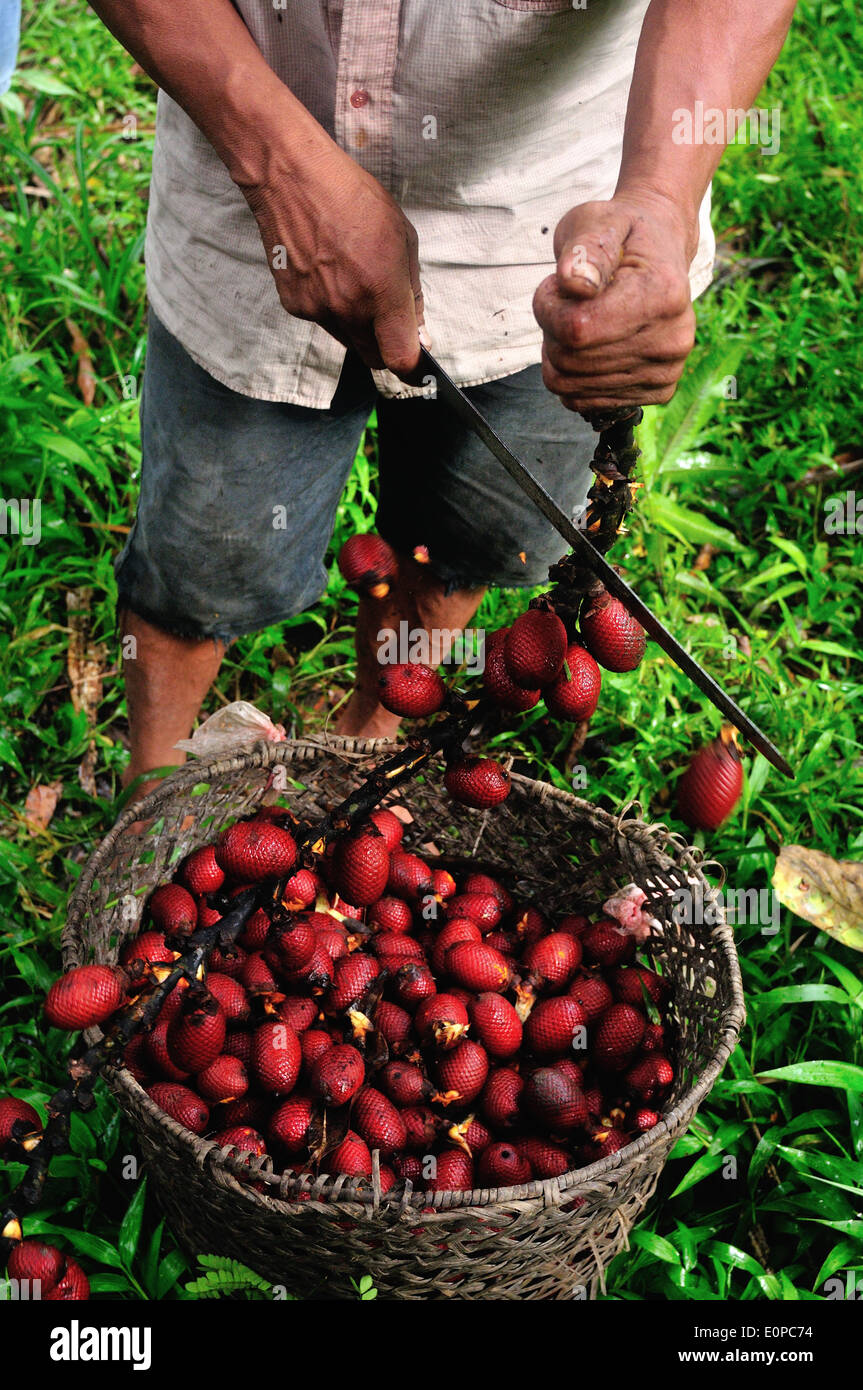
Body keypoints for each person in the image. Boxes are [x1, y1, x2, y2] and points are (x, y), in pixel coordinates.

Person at [87, 0, 796, 799]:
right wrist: (278, 164)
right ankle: (151, 797)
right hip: (244, 205)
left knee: (457, 548)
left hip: (540, 233)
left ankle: (369, 745)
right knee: (196, 568)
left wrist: (660, 202)